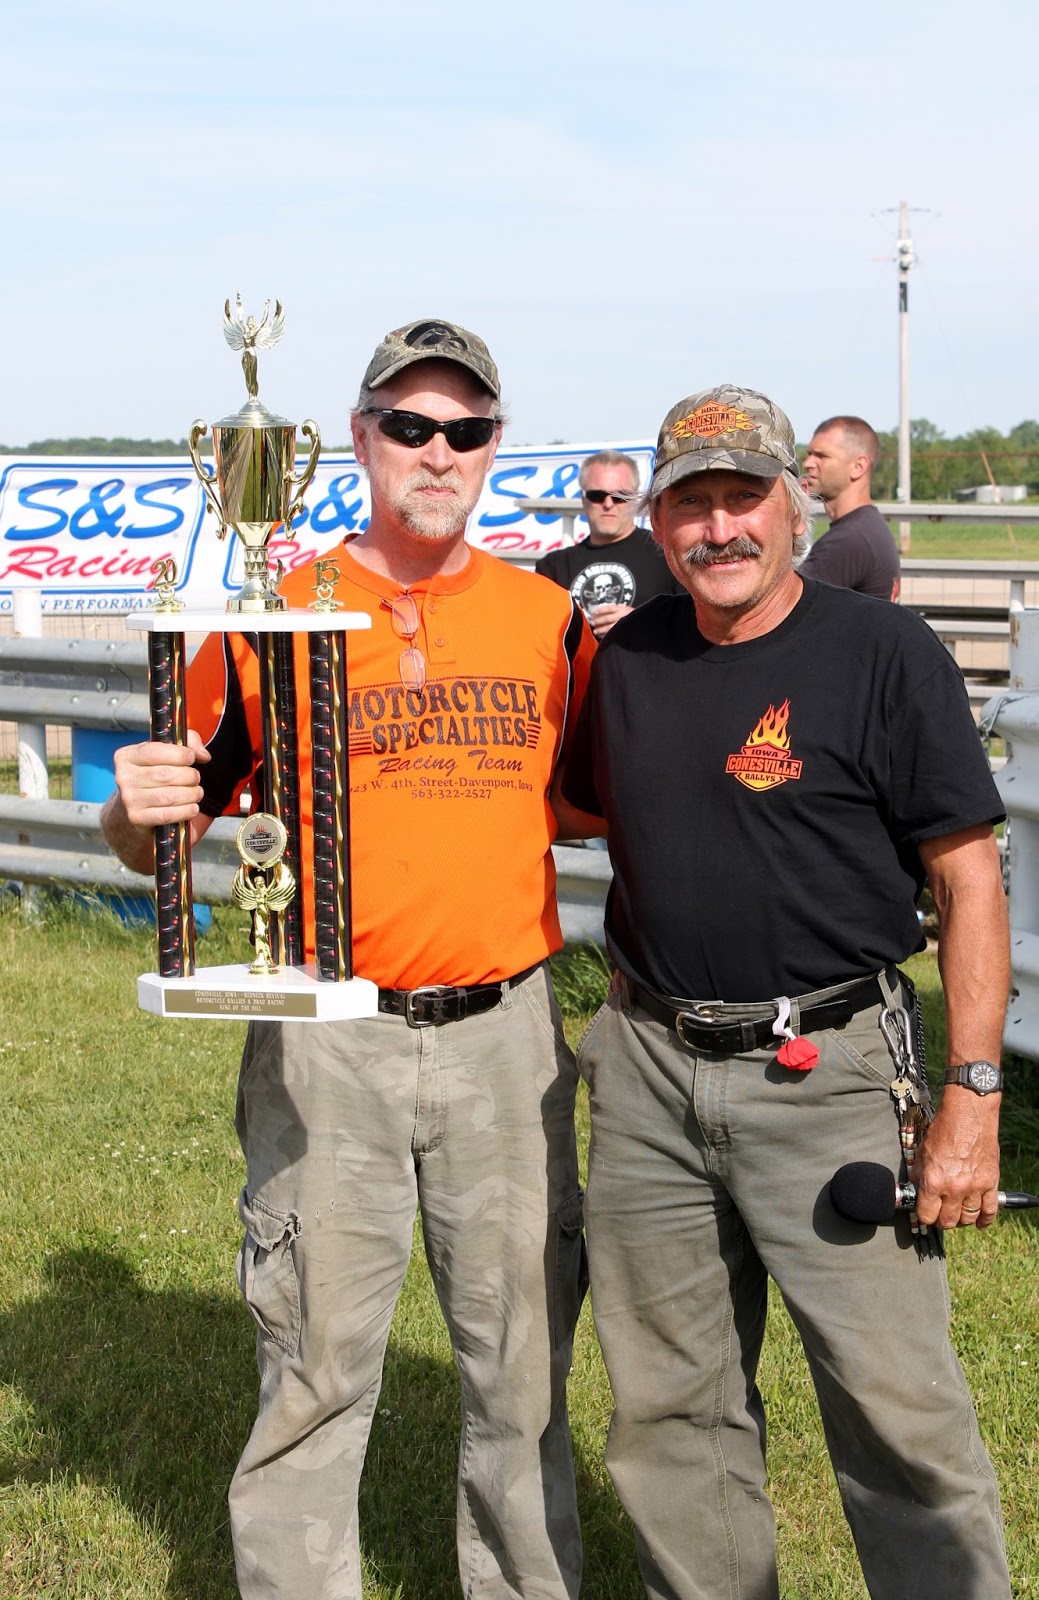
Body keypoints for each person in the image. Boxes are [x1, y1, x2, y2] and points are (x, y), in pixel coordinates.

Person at [101, 318, 597, 1600]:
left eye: (465, 429)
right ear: (359, 439)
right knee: (314, 1369)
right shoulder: (273, 614)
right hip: (331, 1036)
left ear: (493, 445)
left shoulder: (548, 621)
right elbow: (156, 824)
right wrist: (131, 807)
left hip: (506, 1038)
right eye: (410, 424)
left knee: (523, 1374)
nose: (439, 451)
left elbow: (617, 802)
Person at [562, 383, 1011, 1600]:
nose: (718, 528)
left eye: (741, 497)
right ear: (658, 523)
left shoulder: (883, 653)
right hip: (649, 1074)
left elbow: (966, 874)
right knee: (670, 1414)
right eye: (690, 504)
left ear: (792, 506)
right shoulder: (625, 659)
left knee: (896, 1413)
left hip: (831, 1071)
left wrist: (971, 1093)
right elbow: (570, 809)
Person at [535, 449, 684, 638]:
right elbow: (539, 632)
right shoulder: (554, 566)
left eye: (619, 496)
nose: (608, 504)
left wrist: (641, 622)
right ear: (584, 499)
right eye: (597, 495)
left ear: (634, 499)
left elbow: (694, 627)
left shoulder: (667, 555)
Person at [800, 413, 901, 598]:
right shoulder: (867, 527)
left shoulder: (846, 542)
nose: (807, 463)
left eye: (822, 456)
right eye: (809, 454)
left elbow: (782, 607)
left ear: (858, 467)